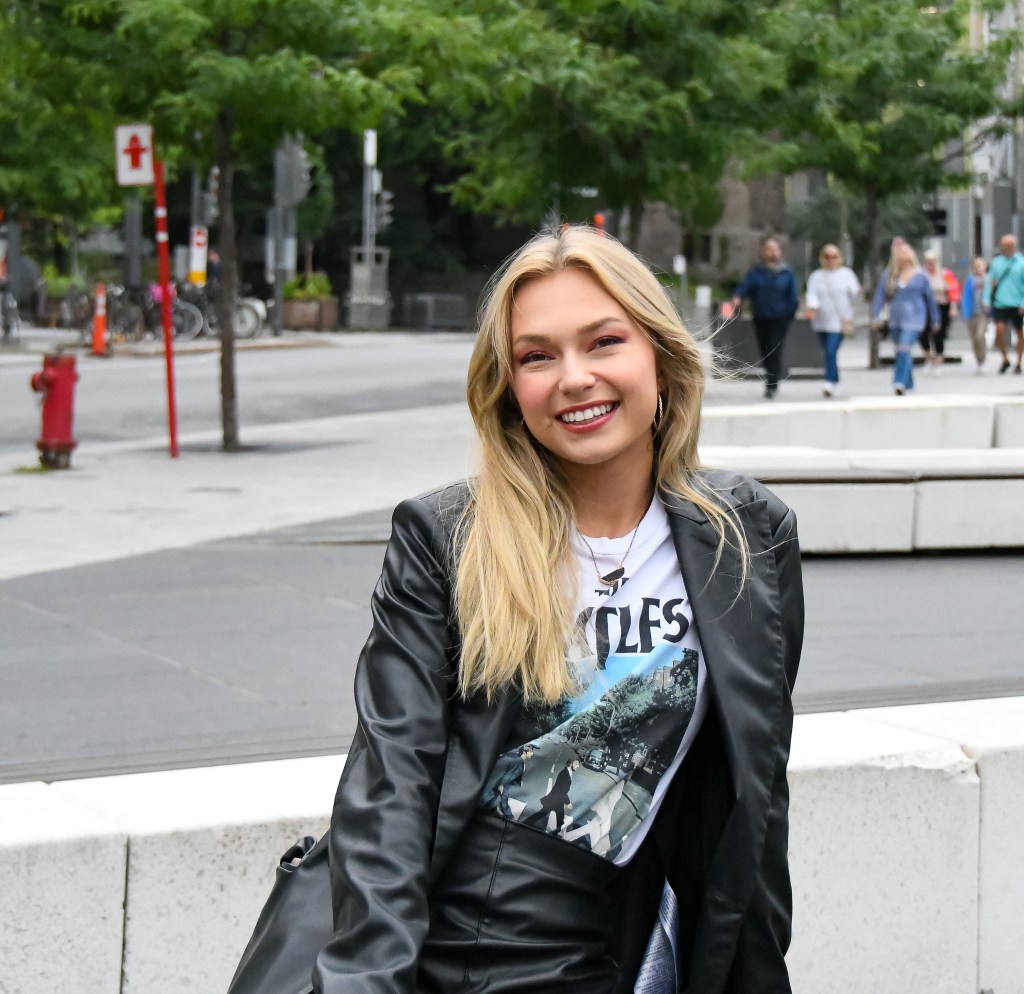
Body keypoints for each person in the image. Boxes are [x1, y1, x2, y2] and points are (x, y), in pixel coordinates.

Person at [311, 224, 804, 994]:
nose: (574, 377)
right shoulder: (447, 537)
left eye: (604, 342)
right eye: (537, 356)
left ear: (661, 360)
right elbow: (389, 785)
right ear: (510, 390)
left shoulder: (748, 537)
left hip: (630, 937)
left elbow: (755, 796)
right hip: (470, 942)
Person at [730, 238, 800, 399]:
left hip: (780, 318)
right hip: (761, 317)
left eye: (775, 249)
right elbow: (745, 286)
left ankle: (772, 384)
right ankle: (771, 375)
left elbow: (793, 295)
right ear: (764, 252)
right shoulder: (756, 272)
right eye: (769, 249)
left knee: (775, 348)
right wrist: (738, 296)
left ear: (780, 251)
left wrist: (790, 312)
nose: (772, 252)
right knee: (765, 349)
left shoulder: (786, 272)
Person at [871, 240, 939, 396]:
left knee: (904, 347)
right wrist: (875, 316)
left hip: (915, 318)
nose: (905, 254)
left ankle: (898, 381)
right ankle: (909, 386)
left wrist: (935, 319)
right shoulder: (890, 275)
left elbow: (930, 299)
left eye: (907, 251)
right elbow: (880, 296)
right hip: (896, 317)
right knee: (901, 351)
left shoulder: (921, 275)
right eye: (901, 251)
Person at [804, 243, 862, 397]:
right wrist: (812, 307)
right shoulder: (817, 276)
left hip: (839, 321)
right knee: (828, 353)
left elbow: (855, 295)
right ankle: (835, 380)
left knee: (831, 350)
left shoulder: (846, 274)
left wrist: (858, 292)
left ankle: (829, 381)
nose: (831, 260)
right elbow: (812, 294)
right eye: (827, 257)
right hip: (821, 320)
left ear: (839, 258)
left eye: (834, 256)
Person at [983, 234, 1024, 374]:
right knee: (999, 329)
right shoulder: (996, 263)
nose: (1009, 248)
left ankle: (1019, 361)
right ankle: (1005, 358)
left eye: (1011, 245)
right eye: (1006, 245)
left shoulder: (1021, 262)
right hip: (1001, 302)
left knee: (1020, 333)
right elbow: (990, 282)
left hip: (1018, 302)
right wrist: (986, 300)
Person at [920, 249, 961, 374]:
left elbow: (954, 290)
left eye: (932, 261)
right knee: (923, 333)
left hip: (942, 306)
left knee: (939, 334)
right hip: (924, 307)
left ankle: (938, 361)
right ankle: (928, 358)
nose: (930, 264)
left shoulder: (945, 274)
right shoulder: (921, 275)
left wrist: (953, 307)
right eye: (928, 262)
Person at [522, 756, 581, 834]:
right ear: (570, 764)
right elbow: (562, 791)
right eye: (576, 764)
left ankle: (556, 832)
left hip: (558, 800)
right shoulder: (565, 774)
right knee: (542, 813)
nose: (578, 766)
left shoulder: (567, 773)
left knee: (559, 818)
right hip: (554, 799)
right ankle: (524, 824)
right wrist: (568, 802)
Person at [480, 744, 536, 820]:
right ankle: (506, 814)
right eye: (530, 752)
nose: (532, 753)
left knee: (493, 796)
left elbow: (514, 774)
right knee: (494, 796)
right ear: (524, 752)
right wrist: (501, 785)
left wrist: (518, 782)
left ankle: (486, 809)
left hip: (504, 782)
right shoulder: (518, 761)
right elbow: (508, 775)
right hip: (503, 782)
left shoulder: (520, 761)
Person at [960, 256, 989, 373]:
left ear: (985, 266)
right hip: (971, 313)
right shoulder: (970, 280)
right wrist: (965, 313)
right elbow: (965, 298)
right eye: (976, 266)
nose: (978, 268)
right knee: (973, 338)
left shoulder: (988, 280)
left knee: (979, 335)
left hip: (983, 314)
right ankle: (978, 361)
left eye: (980, 265)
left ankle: (983, 359)